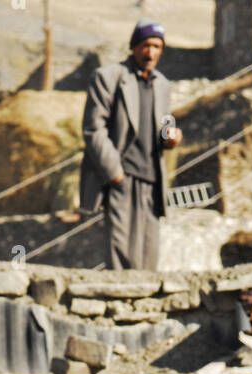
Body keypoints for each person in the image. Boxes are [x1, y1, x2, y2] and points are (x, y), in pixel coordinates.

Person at [79, 19, 182, 271]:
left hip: (151, 180)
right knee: (120, 252)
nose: (151, 52)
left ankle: (143, 309)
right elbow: (93, 129)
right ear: (134, 47)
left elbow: (165, 123)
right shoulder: (108, 78)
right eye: (146, 45)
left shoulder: (163, 85)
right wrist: (114, 174)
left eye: (157, 46)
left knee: (148, 255)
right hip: (120, 178)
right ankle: (118, 308)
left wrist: (171, 138)